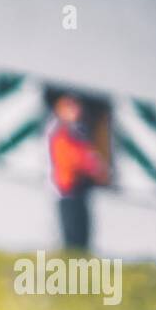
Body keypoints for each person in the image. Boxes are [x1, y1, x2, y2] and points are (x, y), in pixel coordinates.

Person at [48, 95, 109, 251]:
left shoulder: (77, 133)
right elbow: (73, 159)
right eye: (70, 108)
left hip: (79, 189)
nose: (76, 112)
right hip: (68, 190)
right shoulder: (61, 134)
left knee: (82, 235)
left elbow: (87, 157)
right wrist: (92, 168)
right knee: (73, 236)